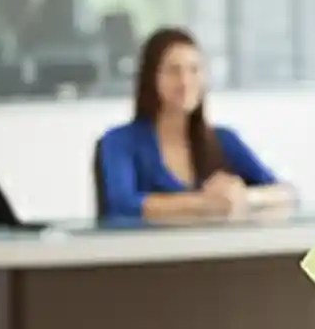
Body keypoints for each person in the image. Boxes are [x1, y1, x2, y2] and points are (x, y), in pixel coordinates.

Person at [96, 26, 295, 220]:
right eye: (173, 71)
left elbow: (285, 193)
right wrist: (204, 203)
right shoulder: (119, 141)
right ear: (151, 78)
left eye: (194, 70)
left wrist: (242, 196)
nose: (185, 81)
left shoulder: (223, 139)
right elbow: (123, 205)